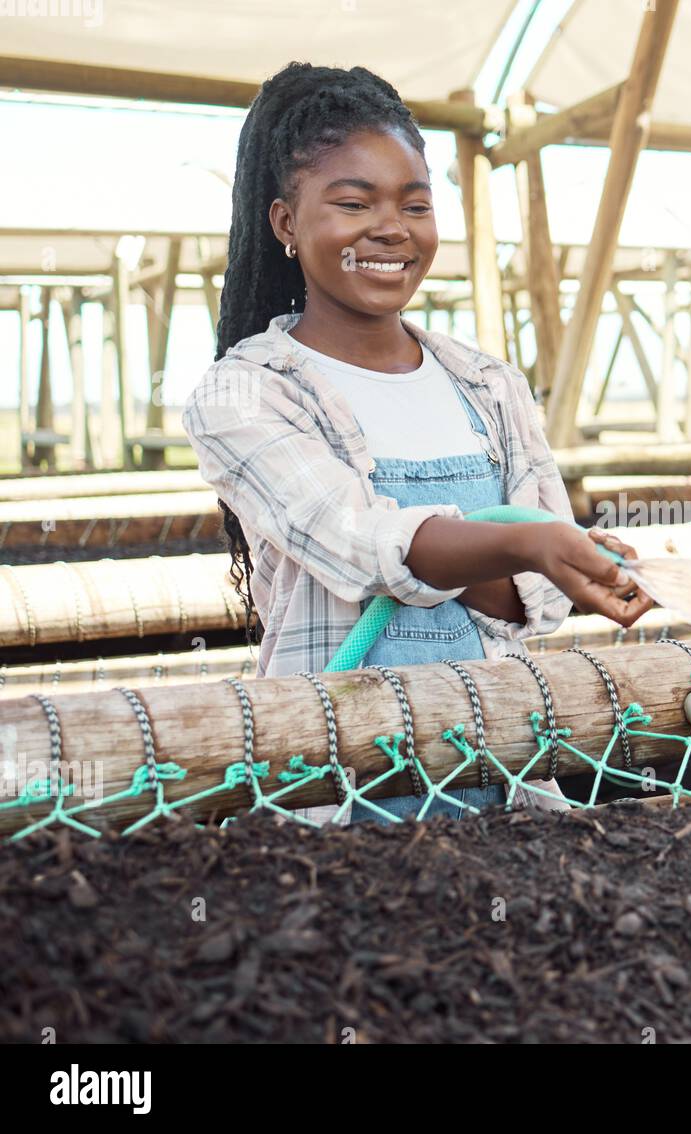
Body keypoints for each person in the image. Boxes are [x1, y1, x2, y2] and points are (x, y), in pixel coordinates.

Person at [182, 63, 654, 825]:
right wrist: (524, 543)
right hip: (333, 783)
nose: (391, 228)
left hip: (503, 767)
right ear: (285, 226)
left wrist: (547, 554)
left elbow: (525, 604)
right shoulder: (246, 392)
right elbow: (352, 542)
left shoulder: (489, 385)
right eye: (352, 202)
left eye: (415, 204)